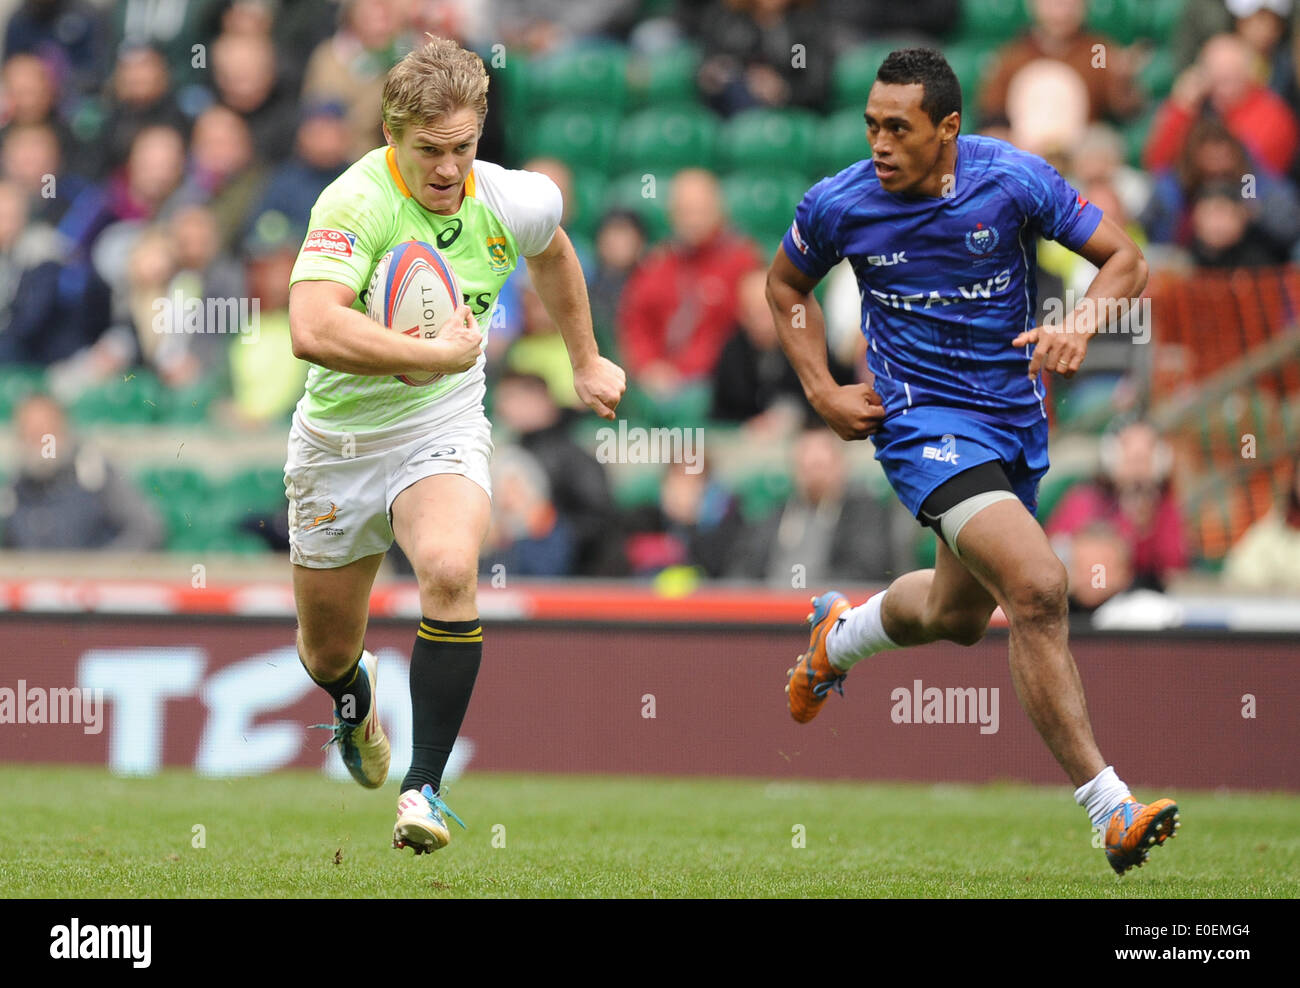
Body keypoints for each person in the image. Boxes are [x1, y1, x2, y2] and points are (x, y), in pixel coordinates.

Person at [765, 48, 1180, 876]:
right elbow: (785, 289)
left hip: (1012, 422)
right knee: (1038, 584)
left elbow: (1126, 260)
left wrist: (1080, 326)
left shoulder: (1012, 180)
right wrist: (820, 390)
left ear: (948, 128)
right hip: (919, 424)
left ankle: (838, 638)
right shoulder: (840, 203)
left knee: (956, 617)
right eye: (872, 126)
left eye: (899, 128)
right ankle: (1111, 809)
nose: (880, 144)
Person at [286, 36, 625, 856]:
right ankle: (354, 700)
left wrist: (585, 359)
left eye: (463, 148)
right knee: (326, 652)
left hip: (440, 425)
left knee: (447, 567)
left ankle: (424, 787)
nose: (447, 168)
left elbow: (554, 253)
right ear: (390, 134)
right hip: (338, 443)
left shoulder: (514, 198)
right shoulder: (353, 201)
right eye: (428, 150)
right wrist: (433, 354)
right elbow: (311, 326)